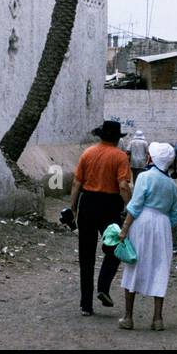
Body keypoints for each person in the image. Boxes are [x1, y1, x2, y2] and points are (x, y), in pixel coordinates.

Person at [70, 119, 132, 316]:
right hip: (110, 206)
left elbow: (76, 183)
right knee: (115, 248)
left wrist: (73, 207)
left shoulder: (87, 153)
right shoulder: (120, 157)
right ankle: (103, 287)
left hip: (87, 203)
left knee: (86, 255)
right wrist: (131, 207)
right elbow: (123, 185)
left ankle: (85, 305)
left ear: (101, 135)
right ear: (116, 138)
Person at [118, 142, 177, 331]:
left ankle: (128, 317)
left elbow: (135, 205)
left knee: (134, 264)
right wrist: (163, 226)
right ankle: (157, 319)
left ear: (152, 159)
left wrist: (124, 229)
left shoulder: (144, 177)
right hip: (163, 225)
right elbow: (176, 215)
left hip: (142, 222)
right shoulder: (172, 185)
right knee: (160, 267)